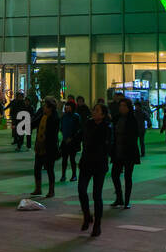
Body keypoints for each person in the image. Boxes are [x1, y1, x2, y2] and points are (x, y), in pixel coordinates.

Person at [78, 101, 112, 237]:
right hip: (86, 163)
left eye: (97, 110)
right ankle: (87, 215)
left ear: (103, 115)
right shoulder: (88, 124)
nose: (94, 112)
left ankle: (97, 225)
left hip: (99, 165)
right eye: (94, 110)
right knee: (81, 191)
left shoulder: (107, 128)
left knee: (97, 195)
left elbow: (108, 146)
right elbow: (80, 137)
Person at [110, 96, 140, 209]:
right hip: (117, 151)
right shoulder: (116, 118)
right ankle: (119, 197)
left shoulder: (132, 119)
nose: (121, 108)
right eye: (120, 106)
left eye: (124, 106)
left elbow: (134, 135)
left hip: (129, 152)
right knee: (114, 175)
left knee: (128, 177)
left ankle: (127, 200)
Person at [32, 97, 60, 197]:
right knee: (37, 168)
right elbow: (34, 123)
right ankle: (38, 188)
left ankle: (51, 190)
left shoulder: (54, 118)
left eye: (45, 106)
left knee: (49, 169)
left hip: (49, 148)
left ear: (50, 108)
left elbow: (53, 135)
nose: (44, 108)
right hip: (39, 146)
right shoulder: (42, 116)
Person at [58, 100, 81, 181]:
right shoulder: (64, 117)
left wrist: (71, 138)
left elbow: (78, 129)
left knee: (72, 159)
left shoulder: (76, 116)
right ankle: (63, 175)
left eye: (69, 106)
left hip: (73, 141)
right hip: (65, 140)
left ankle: (74, 175)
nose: (67, 108)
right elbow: (61, 127)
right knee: (64, 159)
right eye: (66, 106)